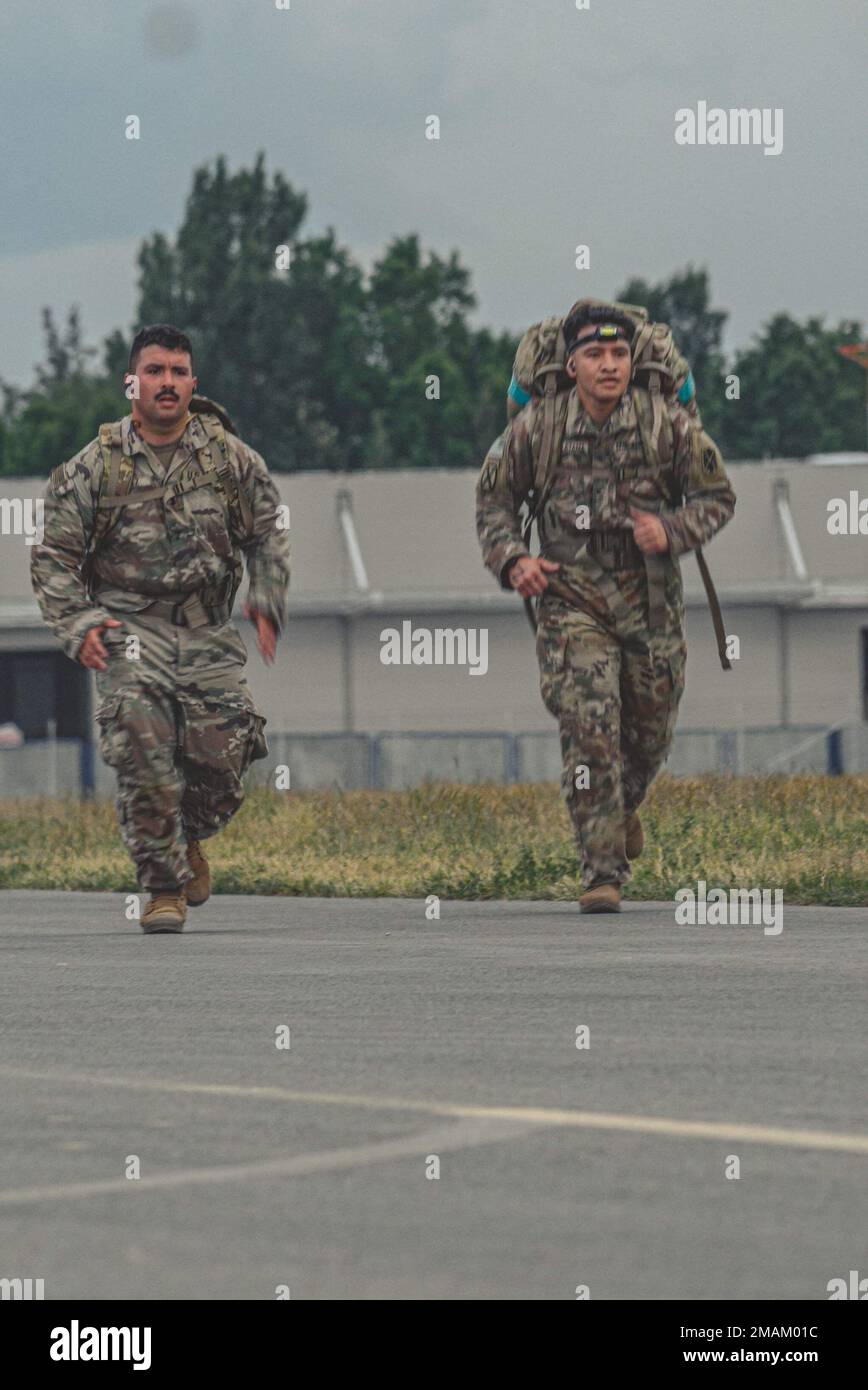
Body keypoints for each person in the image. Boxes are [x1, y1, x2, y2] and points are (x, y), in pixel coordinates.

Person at [30, 324, 291, 933]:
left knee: (223, 762)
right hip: (130, 631)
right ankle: (162, 887)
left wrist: (268, 596)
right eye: (154, 371)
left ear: (193, 383)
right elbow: (53, 558)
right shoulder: (95, 467)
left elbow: (267, 529)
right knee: (143, 751)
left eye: (177, 372)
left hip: (205, 628)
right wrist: (81, 623)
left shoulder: (228, 458)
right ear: (132, 382)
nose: (167, 382)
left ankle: (189, 835)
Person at [476, 303, 736, 912]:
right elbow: (494, 502)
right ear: (572, 365)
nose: (610, 365)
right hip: (572, 600)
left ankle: (621, 811)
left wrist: (672, 531)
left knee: (649, 732)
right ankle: (602, 873)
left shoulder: (665, 423)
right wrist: (514, 559)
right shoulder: (537, 427)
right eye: (595, 355)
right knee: (590, 727)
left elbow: (718, 495)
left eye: (619, 354)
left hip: (650, 603)